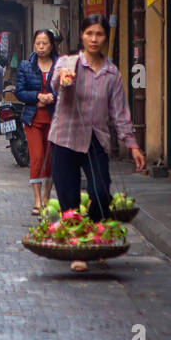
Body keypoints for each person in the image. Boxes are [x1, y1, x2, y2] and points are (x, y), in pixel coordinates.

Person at [49, 15, 147, 271]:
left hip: (95, 140)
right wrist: (63, 78)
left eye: (99, 34)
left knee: (101, 193)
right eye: (89, 33)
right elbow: (55, 82)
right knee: (68, 199)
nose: (94, 39)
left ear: (105, 38)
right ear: (82, 35)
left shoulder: (111, 73)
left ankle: (95, 237)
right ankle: (78, 252)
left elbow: (119, 112)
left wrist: (133, 145)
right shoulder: (68, 62)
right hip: (65, 138)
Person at [16, 29, 58, 215]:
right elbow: (19, 91)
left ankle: (47, 196)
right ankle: (37, 199)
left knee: (50, 160)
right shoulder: (26, 66)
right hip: (33, 118)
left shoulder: (60, 65)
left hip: (55, 119)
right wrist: (37, 96)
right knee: (37, 157)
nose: (41, 47)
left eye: (45, 43)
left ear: (51, 44)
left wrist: (52, 97)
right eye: (38, 43)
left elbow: (68, 87)